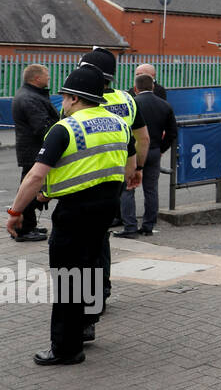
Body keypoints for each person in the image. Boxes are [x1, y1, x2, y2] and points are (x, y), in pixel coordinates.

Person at [6, 66, 130, 365]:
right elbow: (100, 164)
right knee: (90, 266)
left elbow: (35, 175)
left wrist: (15, 212)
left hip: (75, 211)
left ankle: (65, 348)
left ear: (74, 98)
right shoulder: (117, 123)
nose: (61, 102)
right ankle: (87, 324)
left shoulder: (66, 128)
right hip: (107, 206)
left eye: (63, 97)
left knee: (67, 277)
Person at [79, 49, 147, 331]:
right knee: (101, 235)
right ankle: (102, 290)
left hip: (83, 181)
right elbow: (142, 137)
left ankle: (86, 307)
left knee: (82, 245)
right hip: (117, 178)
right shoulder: (127, 99)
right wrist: (137, 169)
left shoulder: (80, 100)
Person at [118, 73, 177, 237]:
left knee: (128, 189)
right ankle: (148, 225)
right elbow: (172, 132)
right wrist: (160, 149)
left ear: (135, 88)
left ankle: (130, 226)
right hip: (154, 151)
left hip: (134, 151)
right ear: (153, 86)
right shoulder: (165, 105)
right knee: (151, 190)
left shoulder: (131, 104)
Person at [10, 63, 59, 241]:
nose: (49, 78)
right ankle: (23, 230)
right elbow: (42, 127)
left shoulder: (31, 95)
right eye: (47, 75)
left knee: (29, 188)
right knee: (29, 189)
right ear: (36, 78)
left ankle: (28, 225)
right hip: (33, 151)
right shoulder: (30, 99)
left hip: (31, 149)